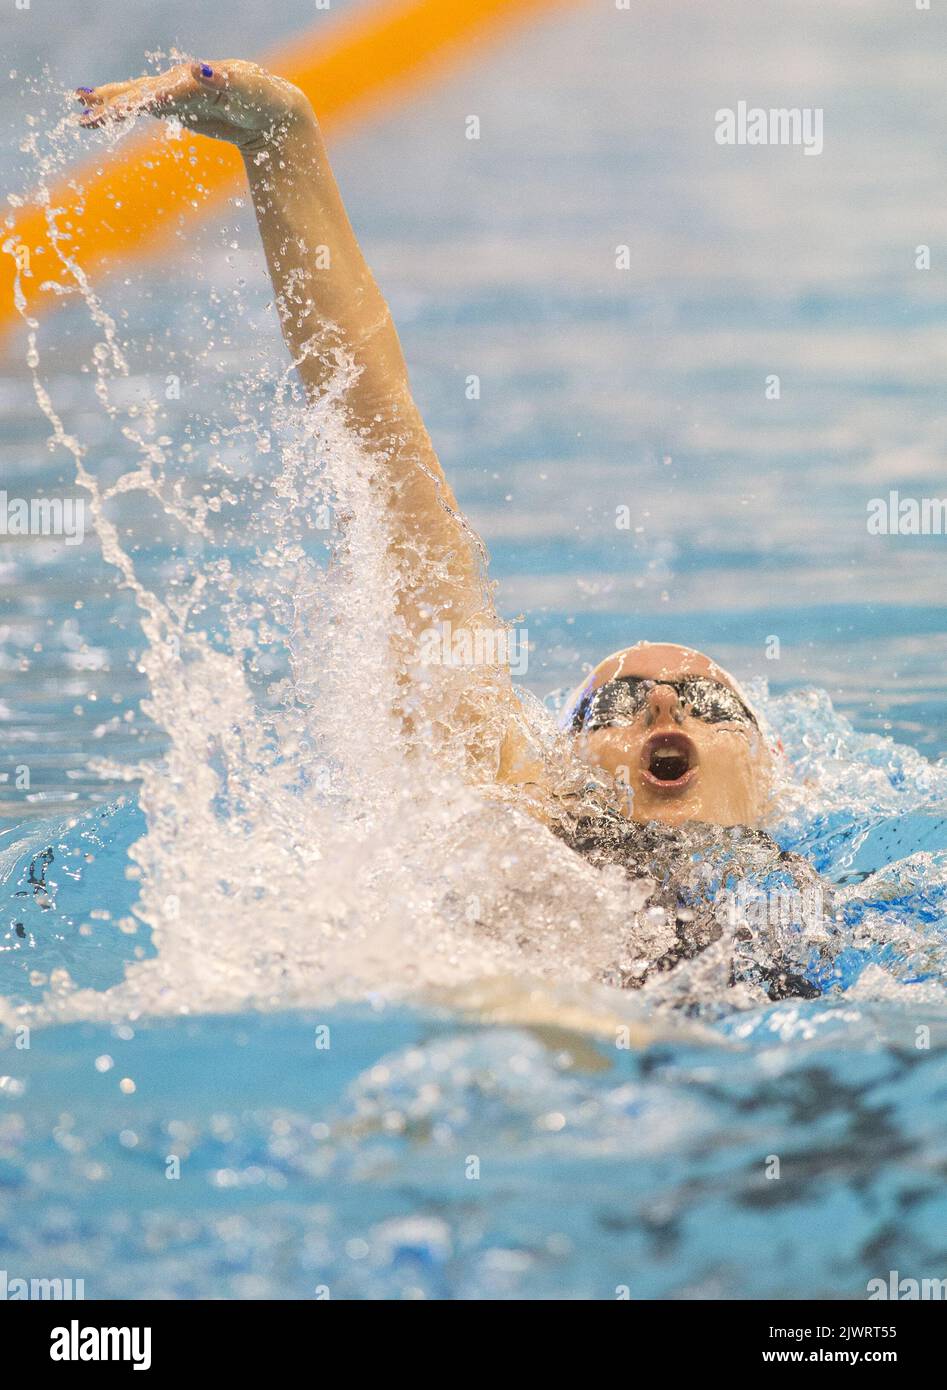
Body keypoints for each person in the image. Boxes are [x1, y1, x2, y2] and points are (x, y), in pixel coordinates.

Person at [76, 62, 821, 998]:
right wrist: (283, 143)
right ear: (555, 760)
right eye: (617, 707)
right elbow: (388, 455)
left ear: (778, 770)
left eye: (708, 707)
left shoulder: (857, 894)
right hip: (566, 1046)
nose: (663, 713)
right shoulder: (526, 823)